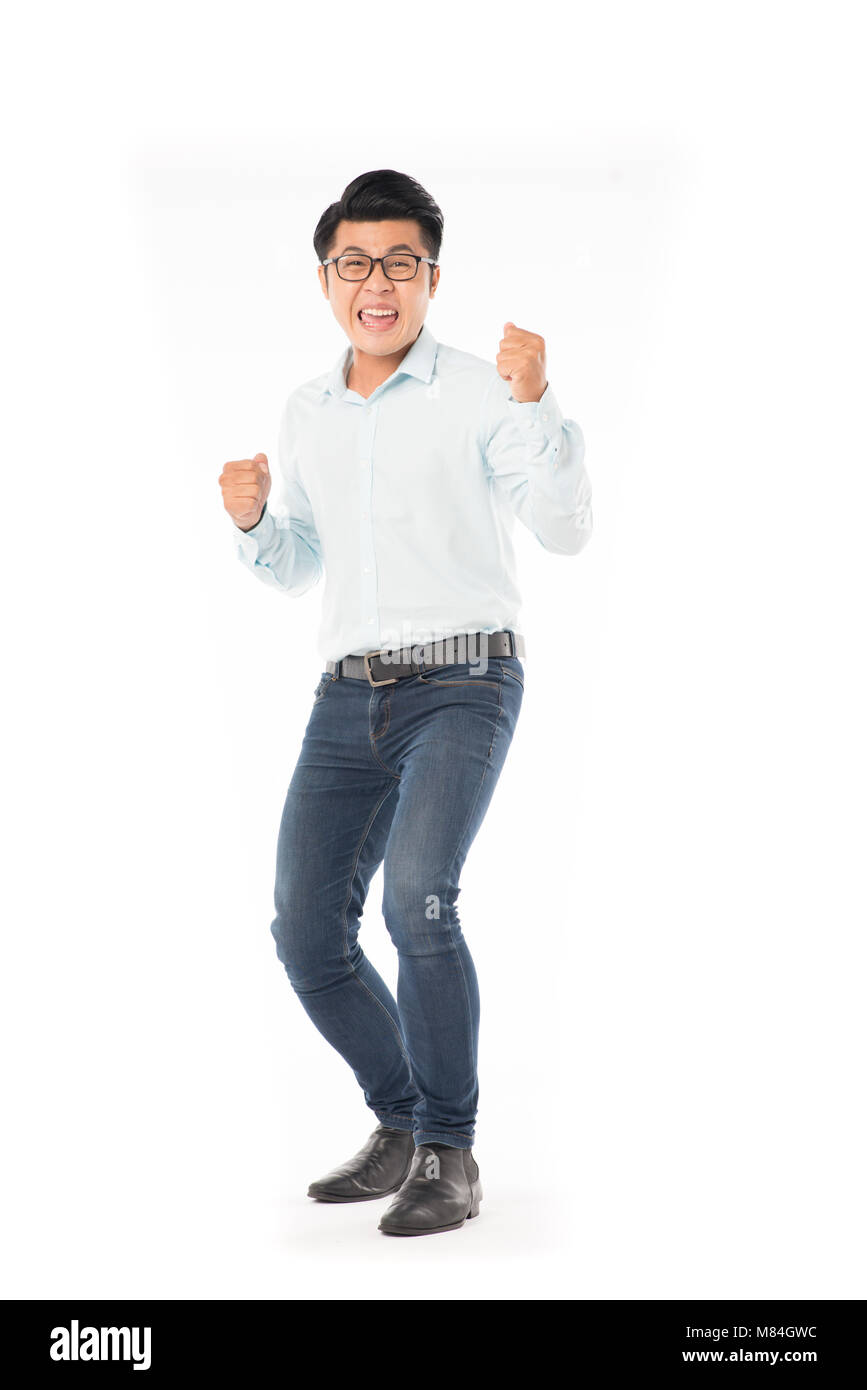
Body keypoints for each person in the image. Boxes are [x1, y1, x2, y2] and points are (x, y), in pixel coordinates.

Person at [217, 169, 593, 1237]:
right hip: (346, 699)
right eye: (354, 263)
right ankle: (400, 1120)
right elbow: (302, 567)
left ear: (432, 276)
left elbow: (565, 529)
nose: (375, 284)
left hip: (465, 684)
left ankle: (451, 1149)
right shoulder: (307, 409)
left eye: (399, 263)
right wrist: (253, 525)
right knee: (304, 933)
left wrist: (537, 402)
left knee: (418, 897)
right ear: (327, 274)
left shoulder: (481, 389)